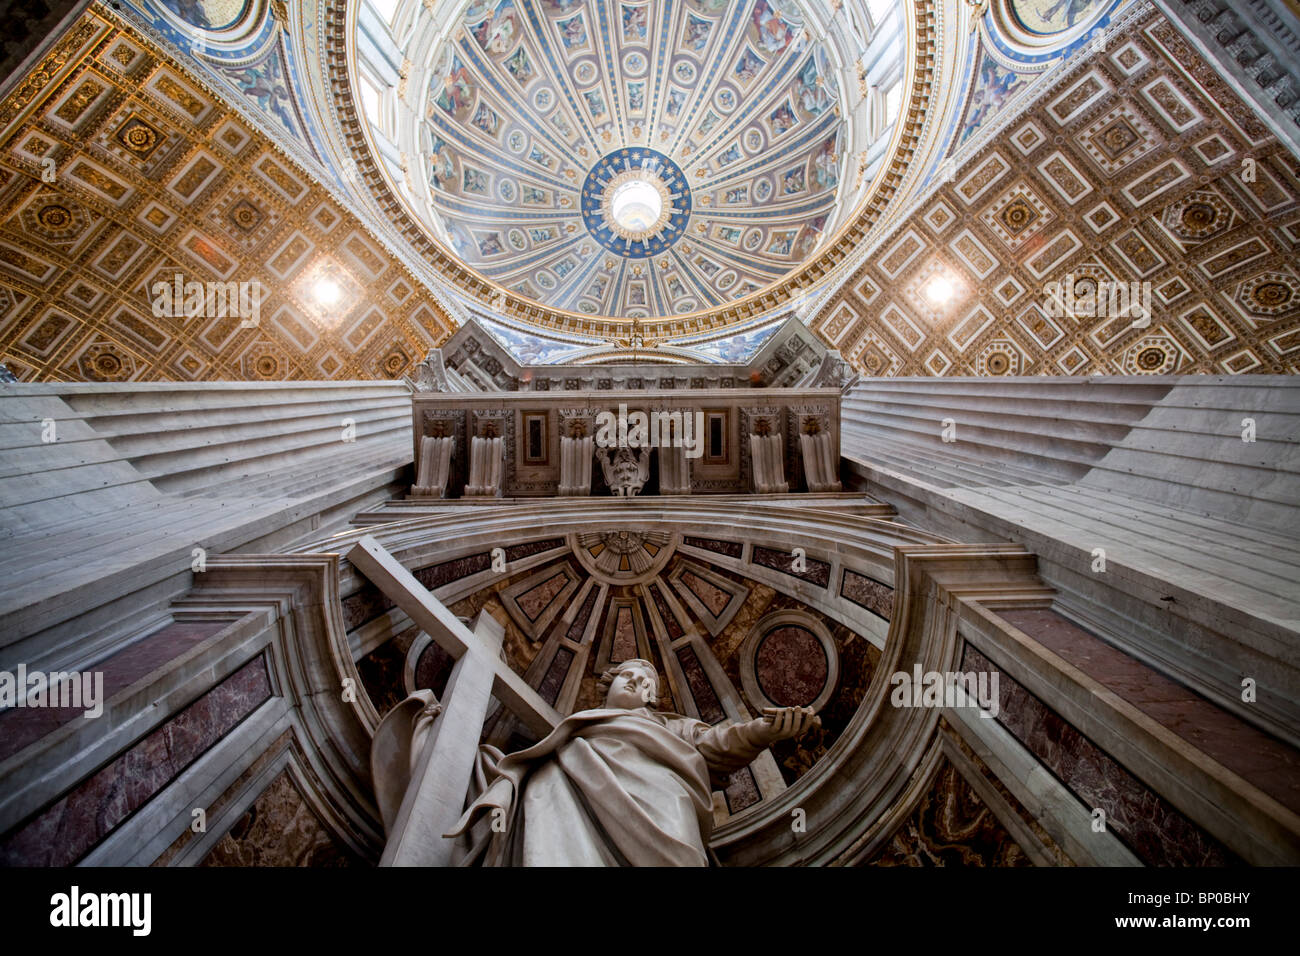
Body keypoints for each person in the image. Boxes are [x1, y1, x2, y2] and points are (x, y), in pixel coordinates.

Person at [446, 659, 819, 865]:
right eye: (626, 675)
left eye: (643, 681)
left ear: (652, 695)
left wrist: (762, 731)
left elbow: (718, 743)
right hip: (570, 789)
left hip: (663, 803)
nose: (634, 682)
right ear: (607, 684)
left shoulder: (672, 726)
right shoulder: (576, 733)